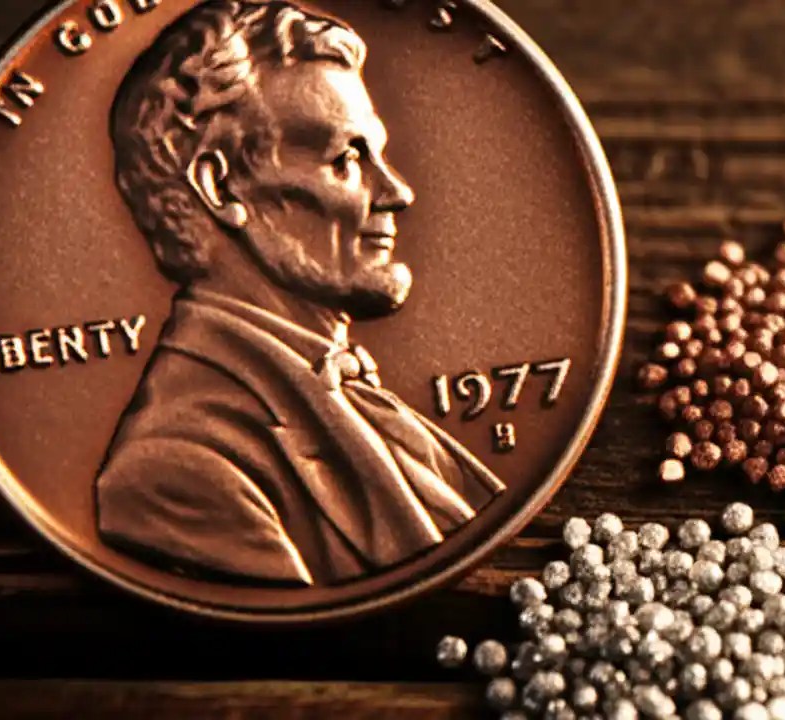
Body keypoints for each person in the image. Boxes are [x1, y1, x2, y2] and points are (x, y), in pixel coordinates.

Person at [95, 0, 505, 586]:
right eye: (346, 159)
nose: (397, 192)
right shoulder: (175, 470)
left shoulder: (344, 391)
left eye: (377, 155)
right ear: (220, 185)